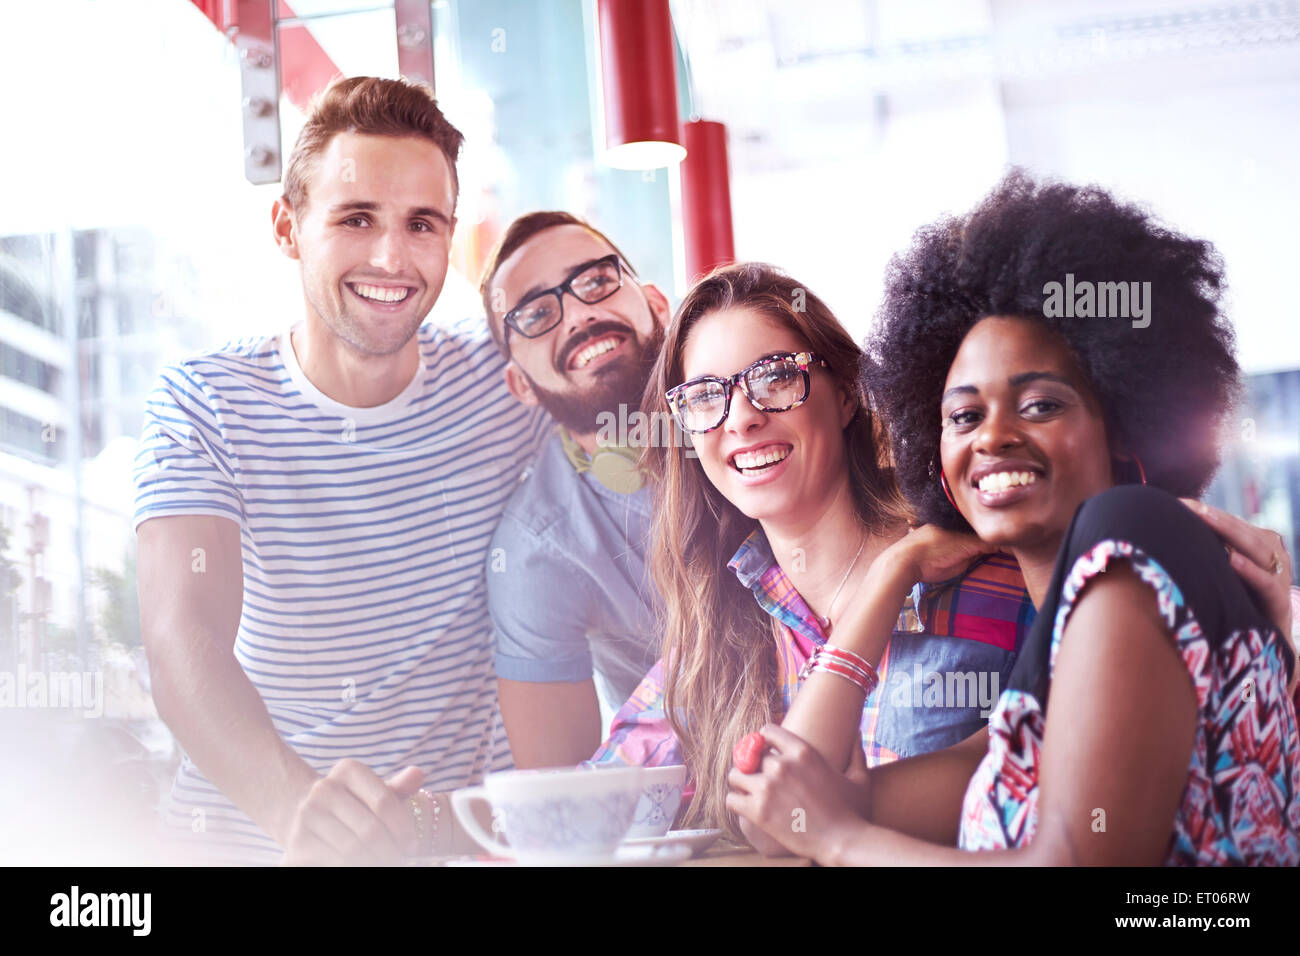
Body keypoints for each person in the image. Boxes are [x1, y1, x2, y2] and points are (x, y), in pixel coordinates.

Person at [727, 173, 1300, 865]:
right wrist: (893, 570)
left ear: (1123, 428)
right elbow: (788, 816)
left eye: (1040, 406)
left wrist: (845, 843)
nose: (992, 437)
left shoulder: (1133, 537)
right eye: (964, 416)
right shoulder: (1037, 692)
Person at [133, 76, 547, 865]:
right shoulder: (203, 402)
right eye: (356, 218)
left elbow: (639, 441)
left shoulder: (504, 382)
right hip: (248, 848)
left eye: (421, 224)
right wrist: (303, 816)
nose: (392, 257)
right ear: (288, 227)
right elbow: (180, 637)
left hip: (454, 852)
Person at [593, 263, 1043, 846]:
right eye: (706, 396)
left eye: (776, 378)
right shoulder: (720, 624)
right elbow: (600, 799)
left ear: (848, 393)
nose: (743, 417)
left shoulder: (994, 572)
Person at [476, 212, 671, 768]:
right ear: (521, 384)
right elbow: (564, 796)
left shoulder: (760, 404)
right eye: (537, 314)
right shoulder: (535, 551)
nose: (581, 315)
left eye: (596, 282)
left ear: (656, 303)